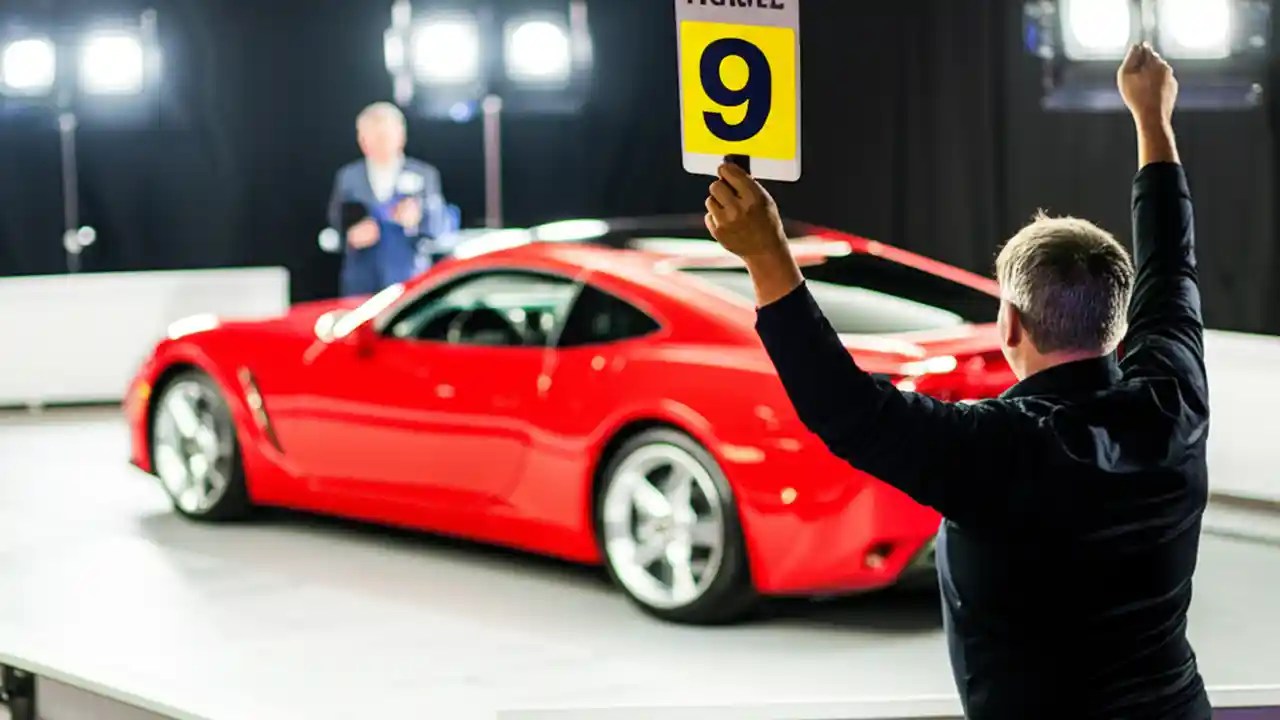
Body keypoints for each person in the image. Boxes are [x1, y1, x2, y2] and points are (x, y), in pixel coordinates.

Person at [704, 44, 1210, 719]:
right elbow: (1172, 268)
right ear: (1116, 327)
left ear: (1009, 325)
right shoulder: (1172, 402)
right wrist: (1154, 121)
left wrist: (765, 253)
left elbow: (845, 410)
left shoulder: (998, 450)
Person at [328, 102, 449, 296]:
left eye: (383, 135)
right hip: (361, 281)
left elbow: (438, 226)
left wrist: (416, 220)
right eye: (369, 136)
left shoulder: (423, 174)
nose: (377, 142)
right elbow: (336, 223)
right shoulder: (348, 177)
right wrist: (350, 236)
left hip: (408, 278)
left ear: (400, 136)